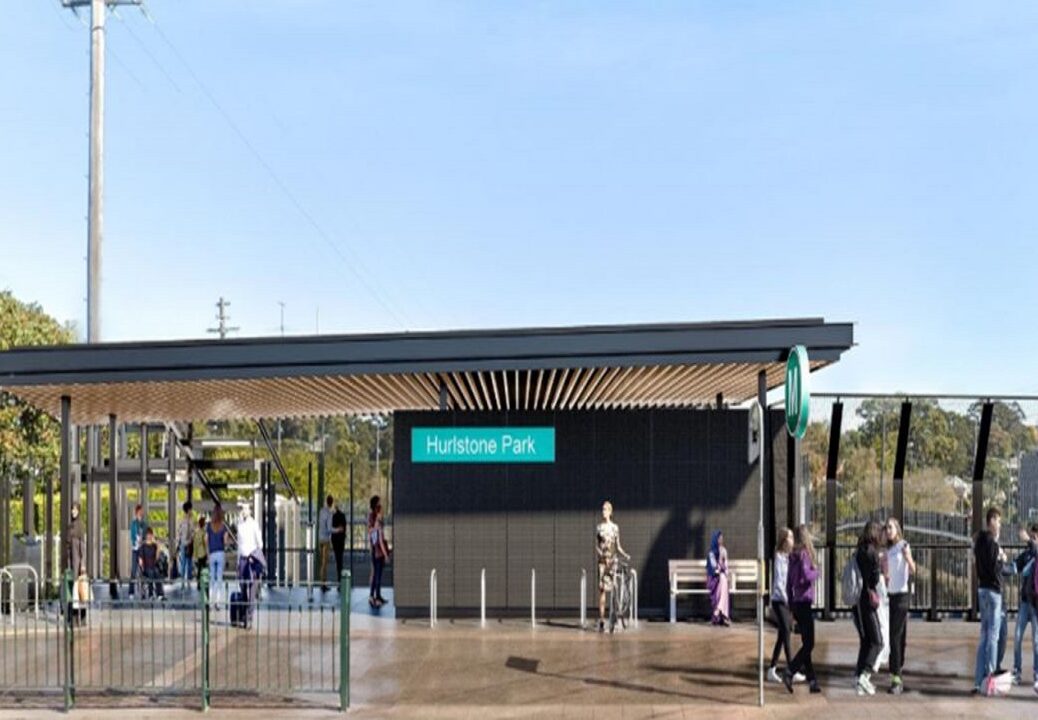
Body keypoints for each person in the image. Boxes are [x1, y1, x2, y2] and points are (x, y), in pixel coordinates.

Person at [973, 507, 1009, 696]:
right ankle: (990, 677)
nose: (1000, 525)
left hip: (981, 590)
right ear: (991, 521)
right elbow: (996, 569)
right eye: (998, 521)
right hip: (994, 592)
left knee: (984, 636)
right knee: (993, 637)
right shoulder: (993, 544)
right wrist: (1003, 559)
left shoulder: (978, 542)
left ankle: (978, 680)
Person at [783, 524, 821, 694]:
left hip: (797, 603)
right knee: (810, 643)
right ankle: (790, 670)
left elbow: (788, 583)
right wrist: (817, 573)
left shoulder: (792, 557)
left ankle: (812, 680)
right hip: (805, 602)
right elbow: (807, 576)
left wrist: (791, 606)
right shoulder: (804, 554)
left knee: (807, 642)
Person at [884, 517, 916, 694]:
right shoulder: (888, 550)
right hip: (892, 595)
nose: (888, 531)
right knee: (900, 635)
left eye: (890, 527)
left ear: (897, 529)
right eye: (886, 528)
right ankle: (899, 668)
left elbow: (913, 569)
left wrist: (907, 558)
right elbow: (889, 573)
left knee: (894, 636)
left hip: (902, 596)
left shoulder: (904, 545)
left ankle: (896, 676)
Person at [768, 527, 804, 684]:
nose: (792, 540)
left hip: (787, 601)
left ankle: (771, 669)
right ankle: (791, 670)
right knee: (787, 633)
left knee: (783, 634)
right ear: (783, 540)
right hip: (779, 601)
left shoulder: (790, 558)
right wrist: (788, 600)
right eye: (789, 537)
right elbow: (780, 583)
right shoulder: (779, 558)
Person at [853, 520, 883, 696]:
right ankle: (865, 674)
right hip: (867, 600)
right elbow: (875, 579)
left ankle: (858, 676)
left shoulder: (859, 551)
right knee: (877, 641)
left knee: (866, 640)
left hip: (859, 600)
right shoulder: (871, 553)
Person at [595, 500, 629, 632]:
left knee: (614, 589)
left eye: (605, 509)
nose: (603, 511)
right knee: (602, 590)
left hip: (612, 561)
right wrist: (602, 556)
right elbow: (597, 546)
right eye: (602, 509)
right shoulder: (599, 527)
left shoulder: (615, 527)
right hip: (603, 562)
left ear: (610, 511)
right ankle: (602, 620)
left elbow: (618, 545)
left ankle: (613, 616)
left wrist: (624, 554)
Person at [1012, 523, 1038, 687]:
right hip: (1024, 601)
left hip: (1036, 604)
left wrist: (1029, 540)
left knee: (1036, 641)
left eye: (1036, 536)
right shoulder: (1027, 554)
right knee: (1017, 637)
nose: (1033, 539)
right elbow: (1015, 566)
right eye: (1032, 536)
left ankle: (1037, 673)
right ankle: (1017, 670)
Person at [235, 503, 265, 627]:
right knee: (243, 586)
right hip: (243, 558)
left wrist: (254, 554)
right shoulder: (240, 525)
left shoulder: (253, 524)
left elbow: (260, 543)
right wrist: (238, 561)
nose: (243, 511)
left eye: (245, 509)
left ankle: (249, 615)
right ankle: (245, 611)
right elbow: (239, 544)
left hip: (251, 559)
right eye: (242, 509)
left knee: (252, 587)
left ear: (250, 511)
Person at [65, 502, 88, 625]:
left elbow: (82, 547)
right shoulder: (71, 527)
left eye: (74, 510)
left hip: (78, 563)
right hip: (71, 563)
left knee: (80, 589)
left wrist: (83, 563)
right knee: (73, 591)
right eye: (72, 509)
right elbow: (68, 546)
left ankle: (82, 617)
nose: (73, 512)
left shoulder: (80, 527)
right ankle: (73, 617)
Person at [207, 505, 232, 609]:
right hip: (220, 552)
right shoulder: (223, 526)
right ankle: (217, 601)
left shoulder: (209, 525)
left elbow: (206, 539)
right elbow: (225, 541)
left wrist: (208, 552)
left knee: (211, 578)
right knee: (219, 578)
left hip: (212, 553)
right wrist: (227, 543)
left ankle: (210, 601)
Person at [368, 496, 390, 607]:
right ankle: (374, 597)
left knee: (376, 575)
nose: (381, 506)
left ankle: (376, 596)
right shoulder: (374, 519)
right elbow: (376, 536)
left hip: (376, 549)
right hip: (377, 551)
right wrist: (386, 554)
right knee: (376, 575)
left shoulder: (376, 519)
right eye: (379, 504)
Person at [707, 530, 731, 626]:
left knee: (723, 579)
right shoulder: (712, 552)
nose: (721, 540)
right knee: (722, 580)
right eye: (719, 538)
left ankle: (717, 612)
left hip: (721, 577)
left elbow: (726, 565)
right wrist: (719, 565)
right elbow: (713, 567)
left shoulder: (724, 550)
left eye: (722, 538)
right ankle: (724, 614)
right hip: (714, 578)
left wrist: (724, 570)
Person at [139, 528, 165, 600]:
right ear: (146, 536)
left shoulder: (154, 545)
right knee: (151, 573)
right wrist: (141, 565)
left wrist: (158, 547)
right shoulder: (143, 546)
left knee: (157, 573)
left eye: (151, 535)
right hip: (146, 568)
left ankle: (160, 594)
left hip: (153, 566)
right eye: (148, 535)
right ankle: (150, 594)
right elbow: (140, 558)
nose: (149, 536)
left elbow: (156, 558)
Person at [176, 501, 195, 591]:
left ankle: (186, 581)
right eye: (191, 509)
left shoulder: (189, 520)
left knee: (188, 563)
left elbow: (179, 533)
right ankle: (184, 581)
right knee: (185, 563)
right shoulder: (185, 520)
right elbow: (180, 533)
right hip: (185, 544)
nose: (191, 511)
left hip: (186, 544)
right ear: (188, 510)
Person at [318, 495, 333, 591]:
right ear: (331, 503)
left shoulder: (321, 511)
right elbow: (329, 529)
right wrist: (338, 530)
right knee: (325, 563)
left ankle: (322, 582)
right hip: (326, 540)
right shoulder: (329, 513)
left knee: (322, 563)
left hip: (320, 539)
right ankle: (323, 584)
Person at [129, 504, 144, 597]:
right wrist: (136, 541)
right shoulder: (134, 523)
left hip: (142, 549)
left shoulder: (143, 523)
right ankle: (131, 591)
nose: (141, 513)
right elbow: (133, 536)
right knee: (133, 571)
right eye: (139, 511)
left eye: (141, 512)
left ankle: (142, 591)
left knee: (142, 570)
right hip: (135, 549)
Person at [331, 500, 347, 581]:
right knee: (340, 559)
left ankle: (339, 578)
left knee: (338, 559)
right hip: (341, 540)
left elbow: (331, 528)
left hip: (335, 540)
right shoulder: (343, 516)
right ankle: (340, 578)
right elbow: (344, 528)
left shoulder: (333, 516)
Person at [192, 514, 209, 592]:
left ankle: (198, 584)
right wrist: (207, 553)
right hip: (203, 552)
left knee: (199, 569)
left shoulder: (196, 533)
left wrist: (194, 554)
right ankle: (204, 584)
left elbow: (194, 544)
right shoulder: (203, 532)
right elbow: (205, 543)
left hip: (198, 553)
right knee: (204, 569)